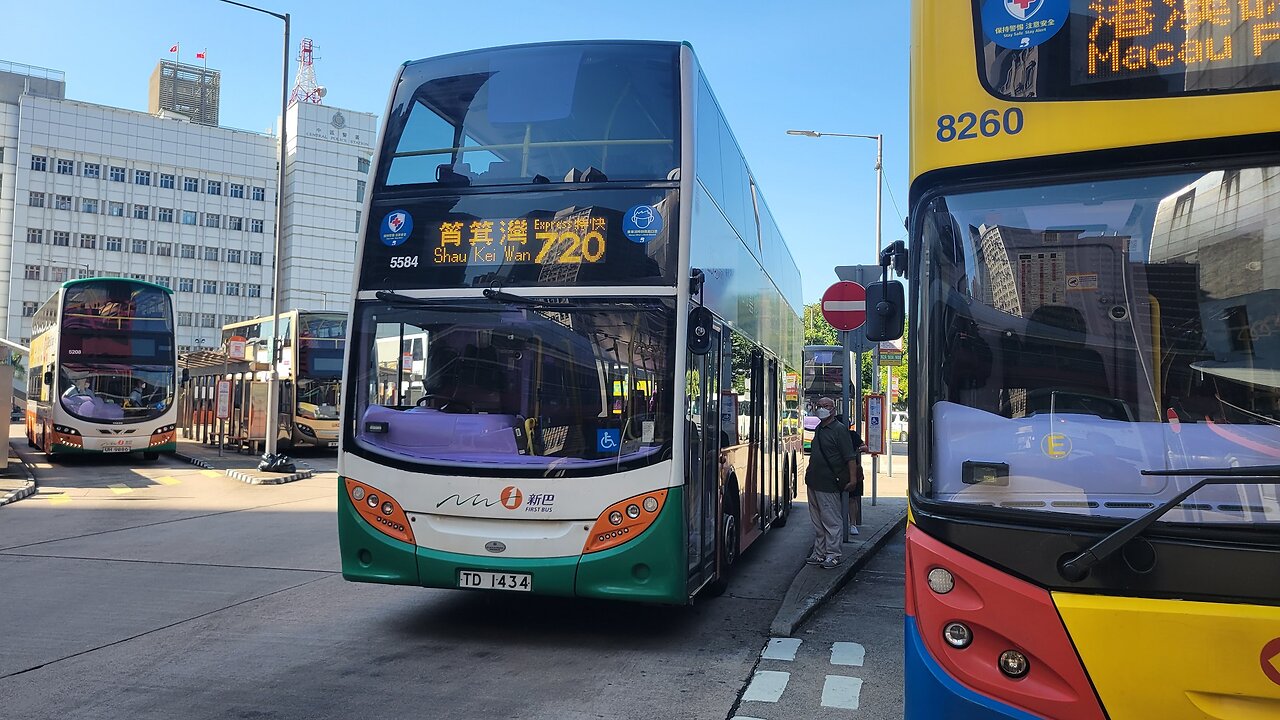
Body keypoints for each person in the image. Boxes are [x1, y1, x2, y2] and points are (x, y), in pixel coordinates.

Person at [804, 396, 859, 569]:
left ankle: (833, 555)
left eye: (825, 406)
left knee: (831, 520)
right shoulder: (820, 428)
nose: (821, 408)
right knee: (817, 521)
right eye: (818, 405)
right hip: (813, 481)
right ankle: (820, 553)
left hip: (829, 484)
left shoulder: (839, 430)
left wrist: (853, 479)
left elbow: (849, 457)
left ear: (833, 409)